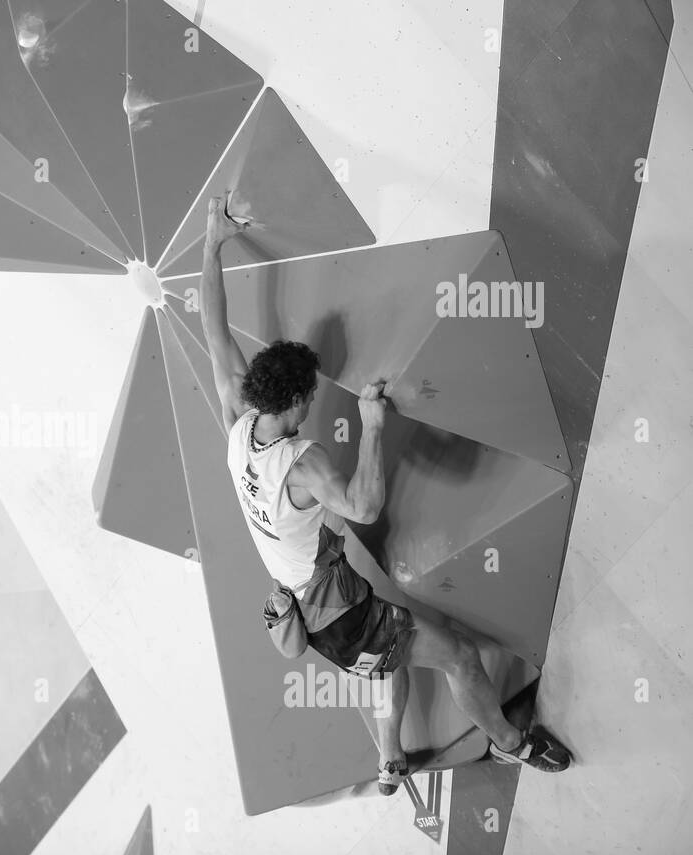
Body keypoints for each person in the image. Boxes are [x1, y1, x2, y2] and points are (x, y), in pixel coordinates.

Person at [200, 192, 571, 793]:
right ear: (294, 401)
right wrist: (373, 426)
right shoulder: (304, 464)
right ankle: (513, 743)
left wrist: (212, 243)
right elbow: (365, 506)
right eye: (312, 399)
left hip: (314, 601)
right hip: (339, 617)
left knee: (390, 644)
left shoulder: (238, 420)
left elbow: (212, 329)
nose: (313, 406)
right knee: (454, 655)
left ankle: (390, 759)